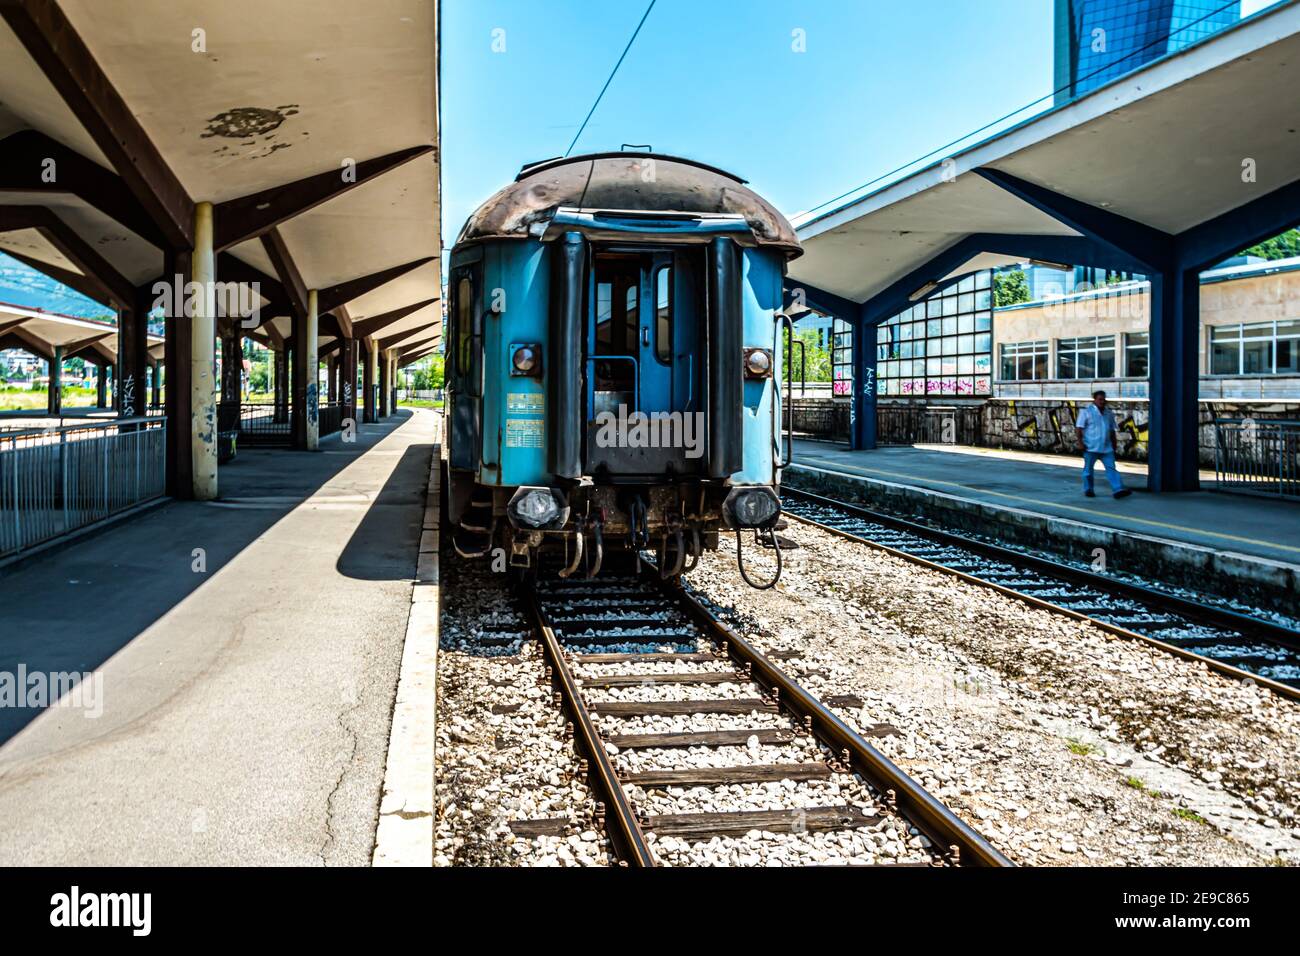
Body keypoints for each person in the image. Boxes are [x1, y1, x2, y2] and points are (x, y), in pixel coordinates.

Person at [1075, 390, 1132, 499]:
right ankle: (1088, 489)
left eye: (1103, 399)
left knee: (1111, 468)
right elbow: (1079, 428)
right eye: (1100, 399)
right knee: (1088, 470)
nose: (1102, 401)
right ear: (1095, 400)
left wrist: (1114, 443)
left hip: (1106, 447)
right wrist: (1080, 443)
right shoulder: (1086, 412)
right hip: (1091, 446)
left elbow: (1111, 430)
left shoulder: (1108, 414)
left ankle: (1118, 489)